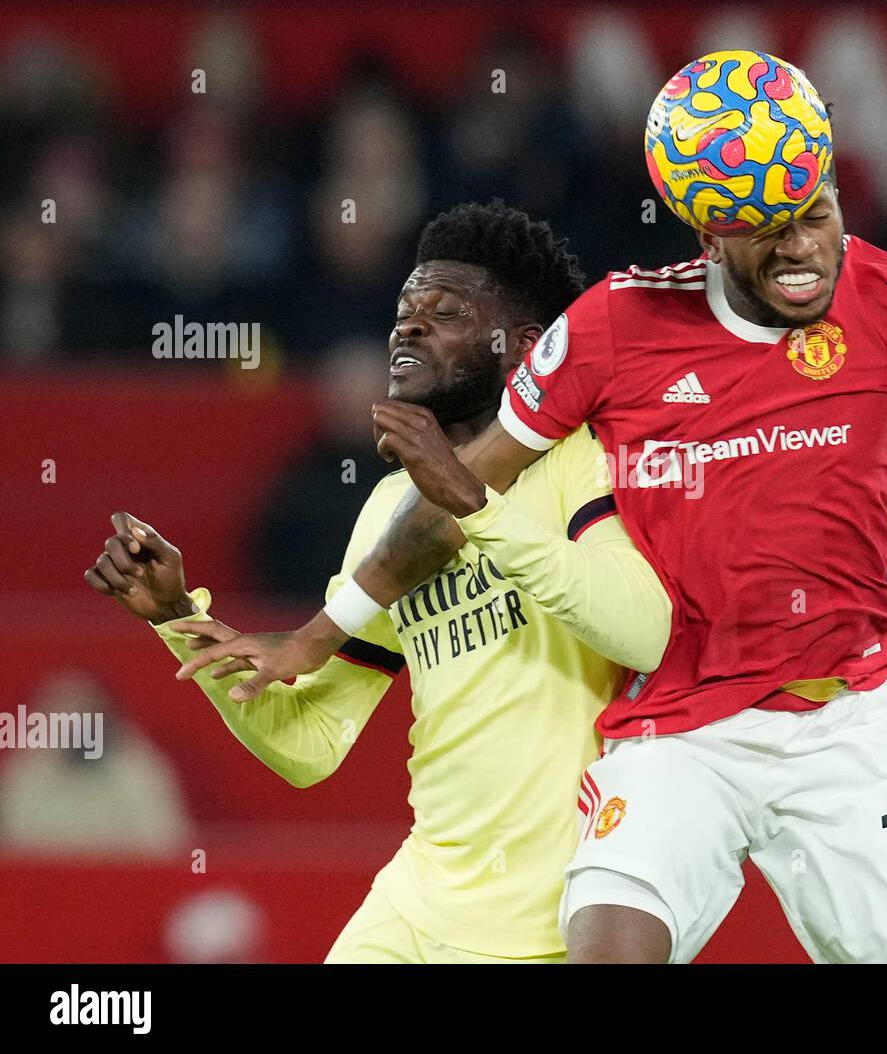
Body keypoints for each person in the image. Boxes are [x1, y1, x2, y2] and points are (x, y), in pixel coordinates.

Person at [185, 54, 887, 964]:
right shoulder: (616, 325)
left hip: (841, 725)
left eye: (817, 210)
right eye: (766, 227)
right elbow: (455, 495)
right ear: (710, 230)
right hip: (676, 731)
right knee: (607, 951)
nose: (804, 247)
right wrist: (318, 637)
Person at [84, 201, 671, 963]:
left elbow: (646, 630)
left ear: (526, 347)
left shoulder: (581, 461)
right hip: (415, 908)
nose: (410, 325)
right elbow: (313, 742)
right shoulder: (387, 509)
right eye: (406, 309)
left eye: (447, 311)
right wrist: (173, 613)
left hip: (557, 922)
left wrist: (474, 502)